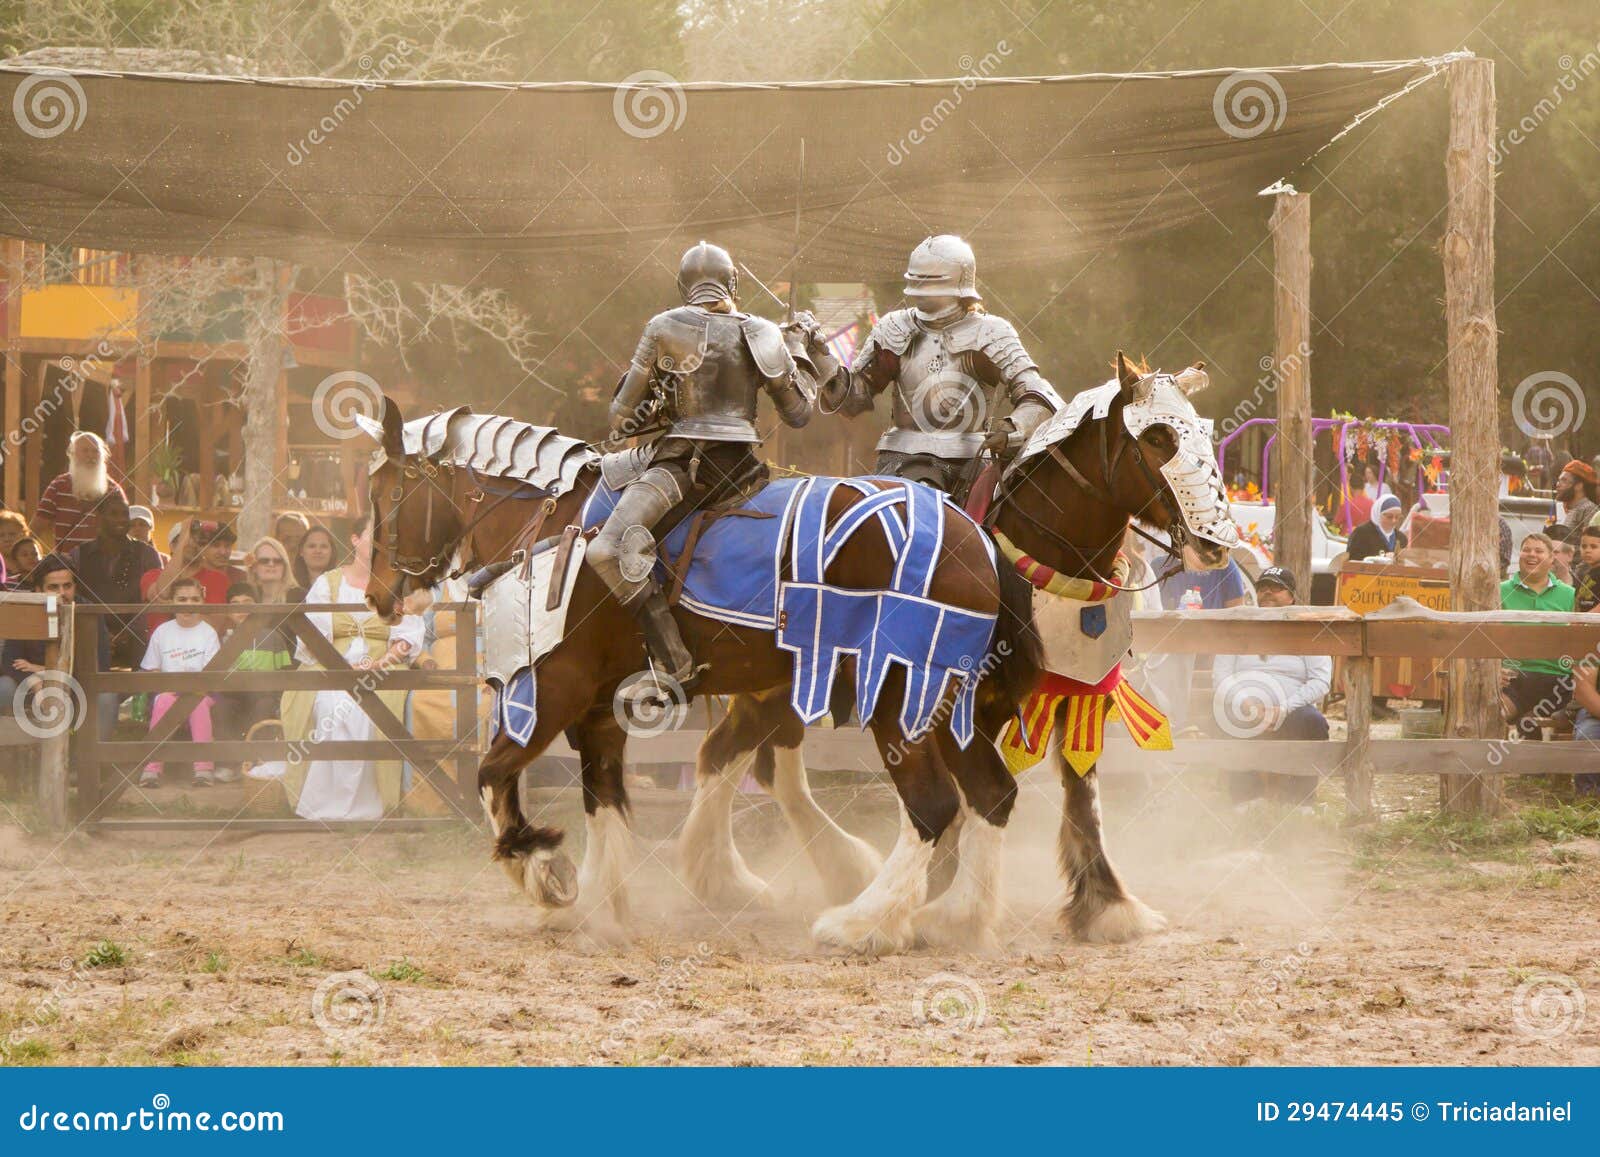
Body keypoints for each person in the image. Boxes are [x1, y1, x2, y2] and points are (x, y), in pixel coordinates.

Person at [589, 240, 818, 688]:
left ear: (682, 287)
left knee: (605, 550)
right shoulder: (763, 331)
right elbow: (799, 413)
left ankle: (675, 662)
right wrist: (797, 348)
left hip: (683, 470)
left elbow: (618, 419)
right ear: (734, 283)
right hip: (743, 471)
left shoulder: (664, 327)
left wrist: (659, 400)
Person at [817, 233, 1062, 493]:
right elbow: (852, 400)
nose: (923, 287)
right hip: (900, 461)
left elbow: (1039, 395)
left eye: (931, 280)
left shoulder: (990, 332)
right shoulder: (893, 327)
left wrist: (1012, 429)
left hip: (970, 464)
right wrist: (820, 357)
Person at [279, 510, 423, 821]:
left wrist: (382, 662)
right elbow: (312, 635)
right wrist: (344, 668)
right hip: (331, 664)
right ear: (355, 540)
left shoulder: (397, 584)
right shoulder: (327, 583)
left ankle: (371, 804)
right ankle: (323, 803)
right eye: (374, 535)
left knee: (369, 708)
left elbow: (408, 635)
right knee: (331, 704)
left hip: (383, 666)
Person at [1213, 566, 1332, 805]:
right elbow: (1221, 676)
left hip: (1292, 707)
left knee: (1312, 722)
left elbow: (1320, 681)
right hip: (1246, 703)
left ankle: (1300, 801)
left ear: (1292, 596)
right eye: (1263, 587)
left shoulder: (1308, 628)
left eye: (1277, 588)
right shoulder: (1240, 626)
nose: (1268, 592)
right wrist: (1245, 702)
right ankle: (1246, 800)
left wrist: (1284, 708)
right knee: (1227, 716)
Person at [0, 555, 116, 738]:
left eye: (67, 586)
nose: (62, 593)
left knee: (106, 697)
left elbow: (100, 665)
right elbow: (9, 660)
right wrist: (34, 681)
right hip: (32, 687)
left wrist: (45, 671)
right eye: (53, 587)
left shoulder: (89, 613)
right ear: (38, 589)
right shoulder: (25, 610)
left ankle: (88, 764)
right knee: (4, 686)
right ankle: (9, 761)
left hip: (78, 687)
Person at [138, 576, 221, 788]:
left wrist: (191, 689)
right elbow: (153, 668)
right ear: (172, 602)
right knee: (163, 701)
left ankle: (203, 769)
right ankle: (152, 769)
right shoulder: (162, 631)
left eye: (195, 599)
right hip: (168, 692)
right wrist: (169, 687)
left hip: (201, 693)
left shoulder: (208, 633)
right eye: (182, 599)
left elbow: (211, 674)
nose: (188, 605)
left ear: (202, 602)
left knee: (198, 704)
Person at [67, 492, 162, 670]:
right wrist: (100, 635)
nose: (121, 520)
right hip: (89, 640)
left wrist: (126, 633)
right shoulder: (79, 554)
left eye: (125, 514)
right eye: (114, 514)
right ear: (99, 517)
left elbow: (154, 600)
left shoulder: (147, 554)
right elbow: (73, 597)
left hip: (137, 641)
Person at [211, 580, 293, 783]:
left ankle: (255, 761)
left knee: (264, 705)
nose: (242, 609)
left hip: (264, 695)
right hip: (233, 696)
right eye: (235, 604)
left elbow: (284, 675)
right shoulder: (222, 640)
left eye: (247, 603)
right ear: (228, 611)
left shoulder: (273, 638)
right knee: (220, 707)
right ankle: (230, 763)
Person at [1499, 533, 1576, 740]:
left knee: (1535, 720)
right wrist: (1494, 670)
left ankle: (1534, 745)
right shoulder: (1499, 591)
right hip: (1514, 677)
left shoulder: (1569, 594)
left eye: (1539, 551)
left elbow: (1577, 641)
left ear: (1552, 559)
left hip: (1558, 679)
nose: (1531, 554)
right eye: (1526, 549)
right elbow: (1485, 637)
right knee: (1495, 712)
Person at [33, 431, 127, 552]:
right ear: (73, 454)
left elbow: (123, 528)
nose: (90, 456)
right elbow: (37, 527)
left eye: (95, 451)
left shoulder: (113, 490)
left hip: (104, 565)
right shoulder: (58, 486)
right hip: (67, 562)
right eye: (85, 451)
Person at [1158, 543, 1250, 610]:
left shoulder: (1223, 564)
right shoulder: (1159, 565)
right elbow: (1154, 607)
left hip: (1215, 633)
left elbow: (1236, 608)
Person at [1346, 493, 1408, 562]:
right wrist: (1381, 558)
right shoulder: (1361, 533)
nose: (1394, 521)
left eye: (1397, 517)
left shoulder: (1401, 538)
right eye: (1389, 516)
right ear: (1378, 514)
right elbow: (1352, 560)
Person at [1572, 651, 1600, 797]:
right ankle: (1589, 799)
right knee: (1589, 737)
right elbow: (1584, 691)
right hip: (1596, 713)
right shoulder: (1592, 634)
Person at [290, 524, 339, 600]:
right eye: (312, 546)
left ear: (332, 552)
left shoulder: (343, 583)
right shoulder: (290, 584)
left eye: (324, 546)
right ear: (301, 551)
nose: (318, 551)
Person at [1554, 459, 1599, 533]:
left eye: (1564, 480)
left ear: (1579, 486)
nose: (1558, 484)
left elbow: (1590, 541)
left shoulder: (1589, 509)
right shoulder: (1571, 508)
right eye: (1559, 480)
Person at [1574, 525, 1600, 614]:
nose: (1587, 550)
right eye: (1584, 546)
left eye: (1594, 547)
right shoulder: (1587, 573)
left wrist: (1583, 620)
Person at [0, 509, 31, 574]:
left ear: (24, 535)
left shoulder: (32, 562)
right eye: (1, 535)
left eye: (12, 534)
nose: (7, 539)